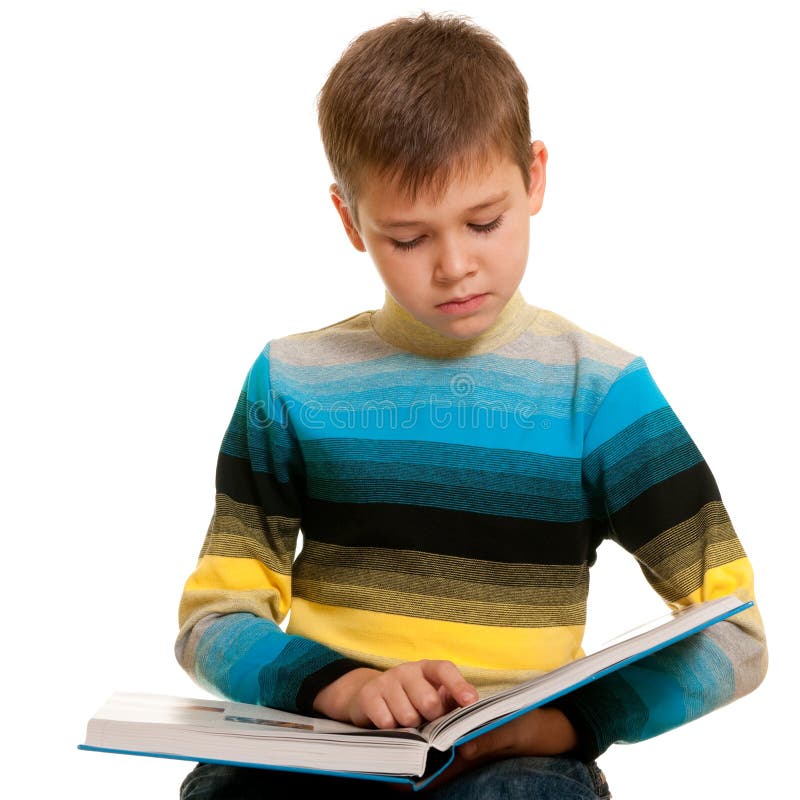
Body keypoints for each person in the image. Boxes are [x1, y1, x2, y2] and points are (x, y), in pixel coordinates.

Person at [175, 11, 767, 799]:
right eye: (409, 239)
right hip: (326, 746)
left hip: (511, 769)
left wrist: (566, 725)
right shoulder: (290, 381)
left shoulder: (601, 393)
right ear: (350, 220)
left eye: (484, 221)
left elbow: (735, 632)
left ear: (536, 177)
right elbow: (213, 617)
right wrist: (339, 687)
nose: (455, 265)